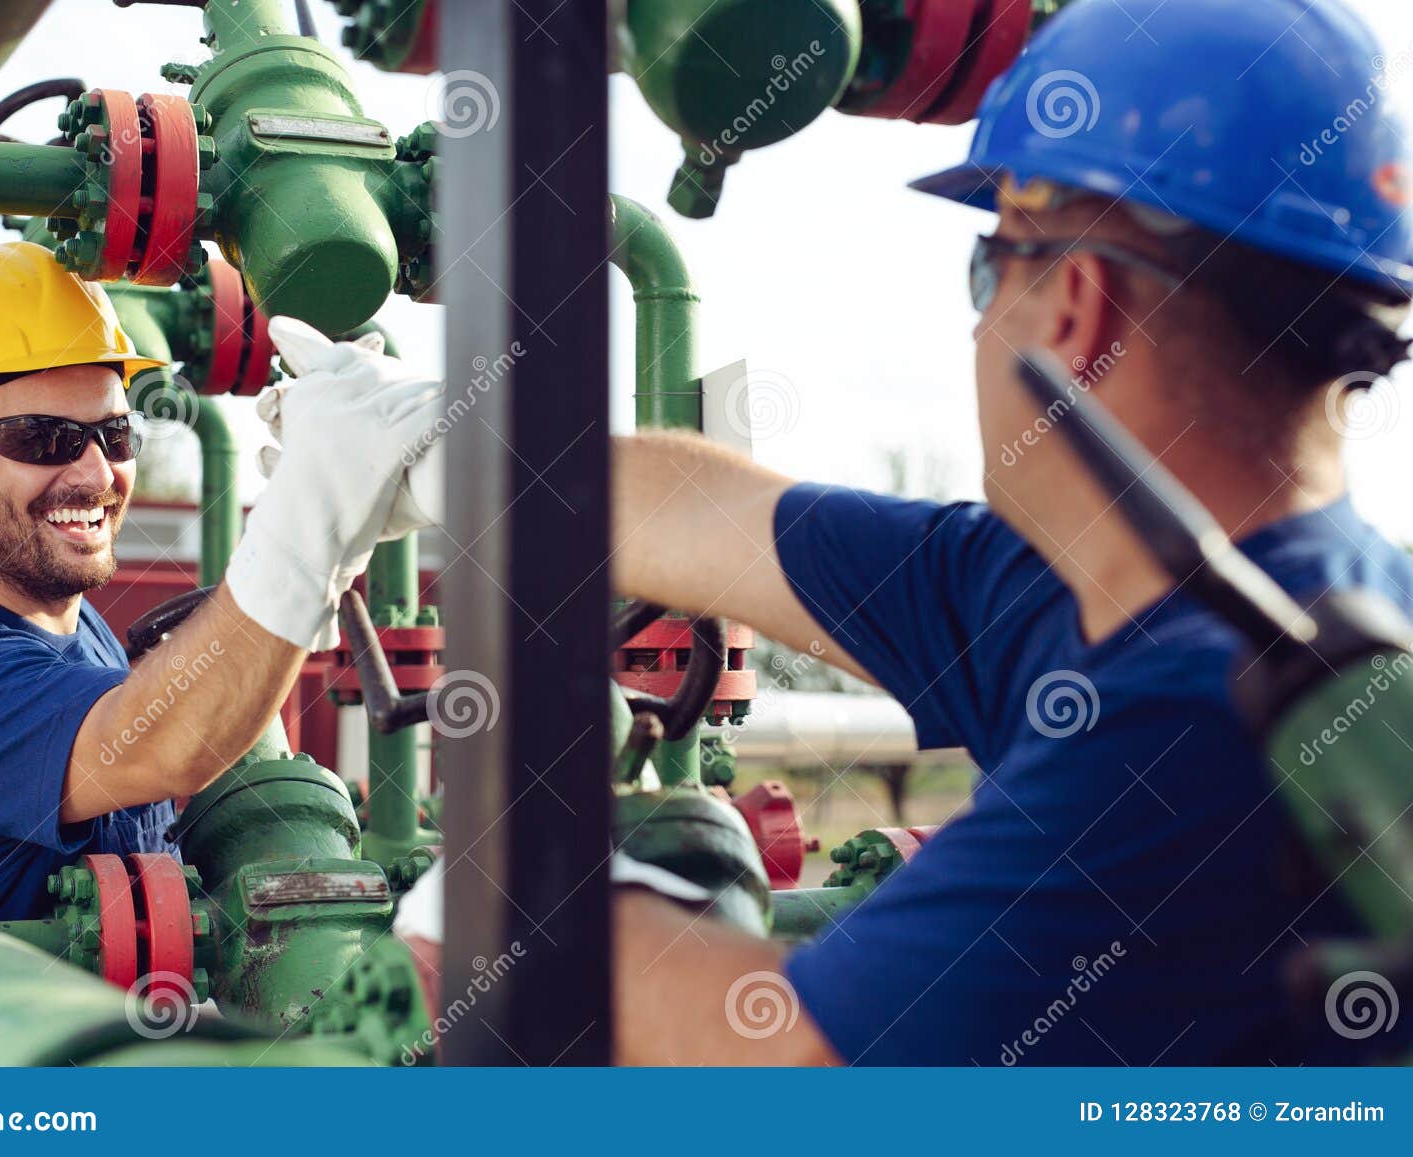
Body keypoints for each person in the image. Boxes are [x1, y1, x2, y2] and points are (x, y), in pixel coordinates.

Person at [301, 0, 1413, 1064]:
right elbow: (716, 519)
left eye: (990, 267)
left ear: (1076, 305)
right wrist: (430, 446)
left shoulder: (1188, 704)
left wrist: (527, 898)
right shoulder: (1098, 592)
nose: (981, 323)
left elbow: (790, 1068)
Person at [0, 242, 440, 921]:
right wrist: (310, 519)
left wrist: (345, 525)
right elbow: (172, 746)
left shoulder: (73, 626)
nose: (96, 472)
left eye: (114, 434)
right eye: (43, 438)